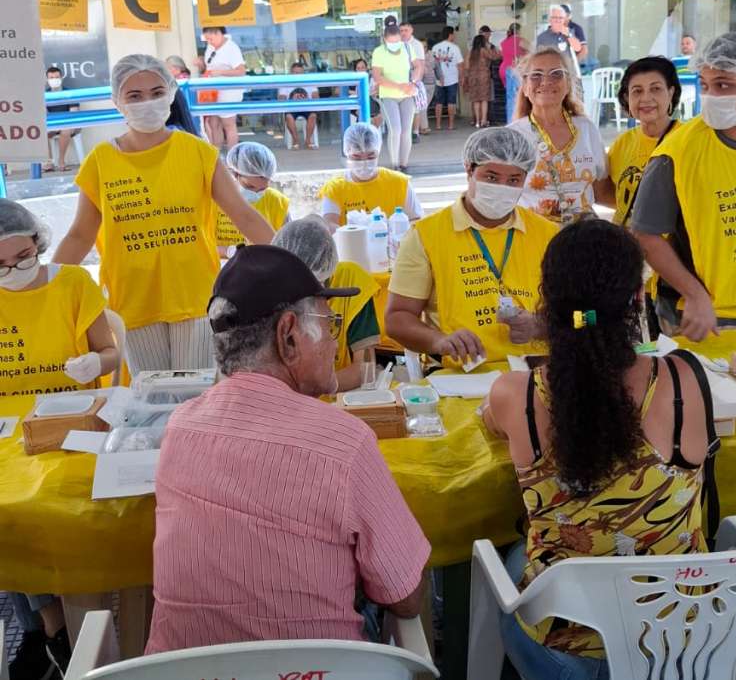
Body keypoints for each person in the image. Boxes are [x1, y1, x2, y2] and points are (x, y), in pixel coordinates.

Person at [145, 245, 429, 653]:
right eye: (329, 326)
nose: (334, 345)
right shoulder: (343, 442)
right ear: (288, 335)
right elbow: (404, 597)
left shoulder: (181, 426)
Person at [485, 219, 713, 680]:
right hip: (676, 646)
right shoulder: (684, 378)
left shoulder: (515, 394)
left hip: (561, 656)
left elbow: (490, 424)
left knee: (513, 556)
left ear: (547, 300)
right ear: (635, 299)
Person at [52, 54, 273, 375]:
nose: (148, 103)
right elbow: (79, 235)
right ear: (117, 102)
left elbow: (244, 215)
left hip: (194, 298)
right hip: (134, 302)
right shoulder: (100, 161)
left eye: (156, 92)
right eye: (135, 96)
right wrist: (47, 288)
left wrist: (292, 266)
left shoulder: (197, 151)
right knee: (149, 407)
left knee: (195, 402)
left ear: (170, 93)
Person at [0, 200, 119, 680]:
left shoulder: (72, 284)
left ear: (39, 244)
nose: (13, 271)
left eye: (24, 258)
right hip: (9, 440)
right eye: (1, 265)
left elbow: (109, 353)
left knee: (45, 515)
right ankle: (48, 629)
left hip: (70, 433)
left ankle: (46, 629)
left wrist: (96, 365)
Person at [632, 32, 736, 341]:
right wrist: (693, 294)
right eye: (704, 85)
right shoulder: (677, 152)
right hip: (703, 317)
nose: (710, 96)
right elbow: (646, 235)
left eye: (723, 85)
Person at [386, 127, 558, 368]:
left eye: (513, 180)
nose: (502, 187)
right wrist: (439, 341)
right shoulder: (426, 235)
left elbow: (586, 318)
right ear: (469, 169)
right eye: (491, 177)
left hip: (537, 372)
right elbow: (396, 319)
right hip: (460, 376)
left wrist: (541, 326)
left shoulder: (549, 235)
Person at [274, 216, 381, 391]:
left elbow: (364, 368)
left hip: (341, 395)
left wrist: (313, 389)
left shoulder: (352, 281)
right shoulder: (274, 289)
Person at [509, 47, 606, 224]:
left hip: (584, 238)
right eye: (536, 75)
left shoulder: (587, 129)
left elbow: (602, 189)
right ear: (524, 87)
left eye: (556, 74)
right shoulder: (512, 136)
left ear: (568, 84)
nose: (546, 82)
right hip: (533, 238)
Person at [595, 57, 682, 226]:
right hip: (626, 245)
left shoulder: (687, 140)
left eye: (655, 89)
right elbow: (610, 195)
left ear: (670, 93)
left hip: (669, 249)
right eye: (637, 91)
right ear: (627, 97)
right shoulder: (623, 142)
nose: (646, 98)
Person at [319, 122, 423, 231]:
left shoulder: (399, 182)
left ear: (378, 152)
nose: (364, 162)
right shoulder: (335, 188)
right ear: (347, 154)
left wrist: (394, 232)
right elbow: (329, 224)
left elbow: (416, 220)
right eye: (357, 157)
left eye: (370, 156)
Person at [216, 142, 290, 256]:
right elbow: (201, 244)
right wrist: (227, 251)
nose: (256, 193)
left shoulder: (278, 202)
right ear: (235, 173)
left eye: (263, 188)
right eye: (249, 187)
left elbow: (289, 246)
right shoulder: (216, 200)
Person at [371, 15, 417, 171]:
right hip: (388, 95)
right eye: (391, 42)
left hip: (407, 95)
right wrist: (399, 86)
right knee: (395, 129)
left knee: (406, 131)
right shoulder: (378, 52)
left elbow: (418, 66)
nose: (395, 45)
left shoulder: (407, 48)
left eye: (397, 41)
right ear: (384, 40)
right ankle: (394, 164)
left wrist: (413, 83)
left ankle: (404, 164)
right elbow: (377, 77)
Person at [195, 26, 246, 150]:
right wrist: (202, 64)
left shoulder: (232, 48)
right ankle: (216, 155)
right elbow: (209, 67)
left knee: (228, 124)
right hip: (212, 90)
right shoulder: (211, 47)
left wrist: (220, 72)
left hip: (229, 91)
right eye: (207, 40)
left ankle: (232, 155)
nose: (209, 42)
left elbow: (241, 71)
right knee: (213, 123)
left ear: (219, 34)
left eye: (211, 39)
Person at [44, 65, 79, 173]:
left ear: (61, 78)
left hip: (67, 124)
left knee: (66, 130)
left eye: (56, 77)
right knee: (41, 132)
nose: (54, 80)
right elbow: (45, 114)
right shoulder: (45, 94)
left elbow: (74, 113)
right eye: (51, 78)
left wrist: (64, 124)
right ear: (47, 79)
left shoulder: (69, 93)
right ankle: (48, 163)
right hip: (52, 125)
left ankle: (61, 162)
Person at [278, 62, 320, 150]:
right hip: (292, 108)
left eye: (300, 73)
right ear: (291, 73)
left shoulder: (309, 81)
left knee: (313, 115)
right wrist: (287, 98)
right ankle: (296, 140)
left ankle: (308, 141)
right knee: (289, 116)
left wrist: (311, 98)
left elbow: (316, 96)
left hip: (307, 107)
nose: (298, 75)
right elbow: (281, 98)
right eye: (295, 73)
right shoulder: (285, 82)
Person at [536, 6, 583, 78]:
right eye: (555, 17)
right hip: (550, 75)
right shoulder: (542, 37)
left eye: (560, 18)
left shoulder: (569, 32)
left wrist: (568, 35)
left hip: (568, 75)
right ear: (550, 19)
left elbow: (578, 48)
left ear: (564, 20)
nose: (558, 20)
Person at [432, 26, 464, 131]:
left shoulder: (435, 47)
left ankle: (438, 125)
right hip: (452, 79)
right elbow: (460, 65)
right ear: (450, 34)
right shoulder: (455, 48)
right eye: (453, 34)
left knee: (438, 102)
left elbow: (433, 64)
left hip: (438, 79)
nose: (454, 36)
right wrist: (461, 77)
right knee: (451, 101)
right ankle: (451, 125)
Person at [399, 21, 425, 142]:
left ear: (411, 30)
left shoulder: (417, 45)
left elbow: (420, 64)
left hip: (413, 79)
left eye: (406, 30)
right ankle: (405, 133)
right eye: (401, 30)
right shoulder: (397, 44)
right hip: (400, 80)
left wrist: (416, 82)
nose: (403, 33)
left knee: (415, 108)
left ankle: (415, 132)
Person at [499, 24, 530, 124]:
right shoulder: (520, 40)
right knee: (517, 97)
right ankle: (516, 120)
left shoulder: (504, 42)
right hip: (515, 69)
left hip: (503, 68)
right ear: (519, 30)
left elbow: (502, 54)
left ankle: (510, 120)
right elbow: (534, 50)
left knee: (509, 96)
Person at [464, 34, 494, 128]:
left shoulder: (470, 52)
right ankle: (483, 120)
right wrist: (491, 47)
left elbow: (466, 66)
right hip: (483, 77)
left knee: (476, 100)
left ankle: (477, 121)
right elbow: (494, 57)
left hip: (472, 78)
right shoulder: (484, 51)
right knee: (484, 99)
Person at [350, 58, 382, 128]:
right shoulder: (353, 80)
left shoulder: (372, 79)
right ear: (356, 70)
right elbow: (338, 90)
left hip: (372, 104)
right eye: (358, 68)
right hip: (358, 106)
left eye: (363, 67)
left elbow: (378, 90)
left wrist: (364, 93)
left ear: (366, 68)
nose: (361, 70)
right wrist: (356, 92)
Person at [416, 40, 437, 135]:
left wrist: (441, 77)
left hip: (431, 83)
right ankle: (424, 127)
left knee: (423, 106)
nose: (423, 48)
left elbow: (437, 66)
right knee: (423, 106)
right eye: (421, 46)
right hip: (420, 84)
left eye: (424, 46)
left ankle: (419, 127)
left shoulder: (432, 55)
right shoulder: (415, 57)